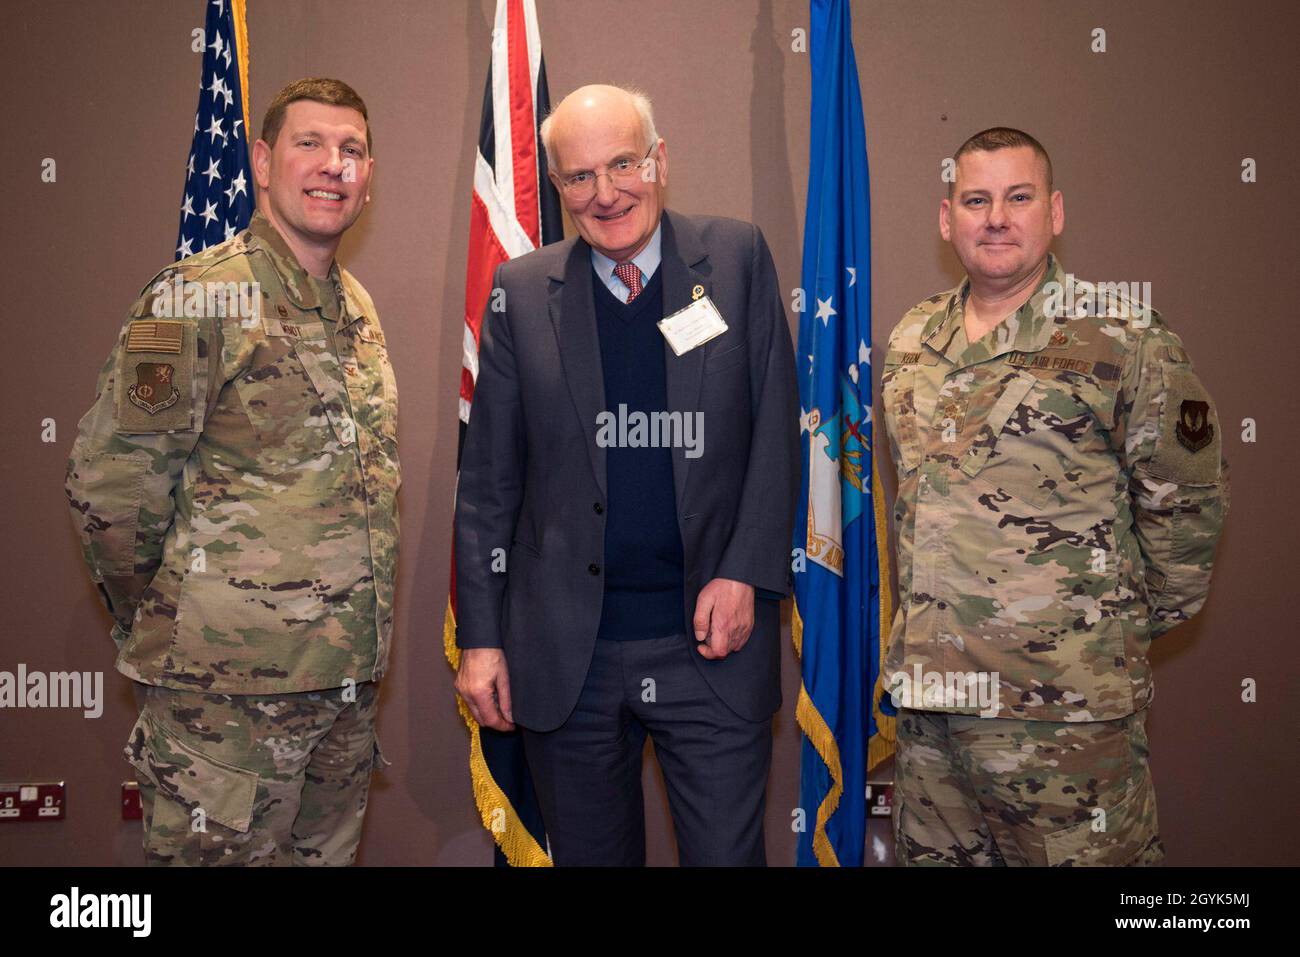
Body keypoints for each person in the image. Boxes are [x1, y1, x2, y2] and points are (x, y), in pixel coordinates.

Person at [453, 84, 798, 866]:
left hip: (710, 647)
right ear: (557, 185)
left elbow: (777, 434)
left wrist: (745, 571)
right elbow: (487, 487)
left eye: (623, 164)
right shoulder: (519, 291)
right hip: (568, 657)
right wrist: (480, 640)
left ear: (659, 160)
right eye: (579, 176)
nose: (606, 193)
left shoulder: (736, 258)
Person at [65, 77, 398, 866]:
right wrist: (183, 622)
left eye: (351, 149)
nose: (332, 165)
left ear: (369, 175)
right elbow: (110, 491)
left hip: (341, 696)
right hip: (225, 707)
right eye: (309, 143)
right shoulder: (192, 301)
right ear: (261, 160)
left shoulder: (357, 308)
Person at [880, 127, 1228, 866]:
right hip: (933, 714)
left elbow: (1187, 513)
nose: (996, 217)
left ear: (1055, 211)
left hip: (1065, 719)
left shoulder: (1122, 337)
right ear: (948, 219)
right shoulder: (911, 340)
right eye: (976, 199)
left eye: (1018, 197)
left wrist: (1100, 637)